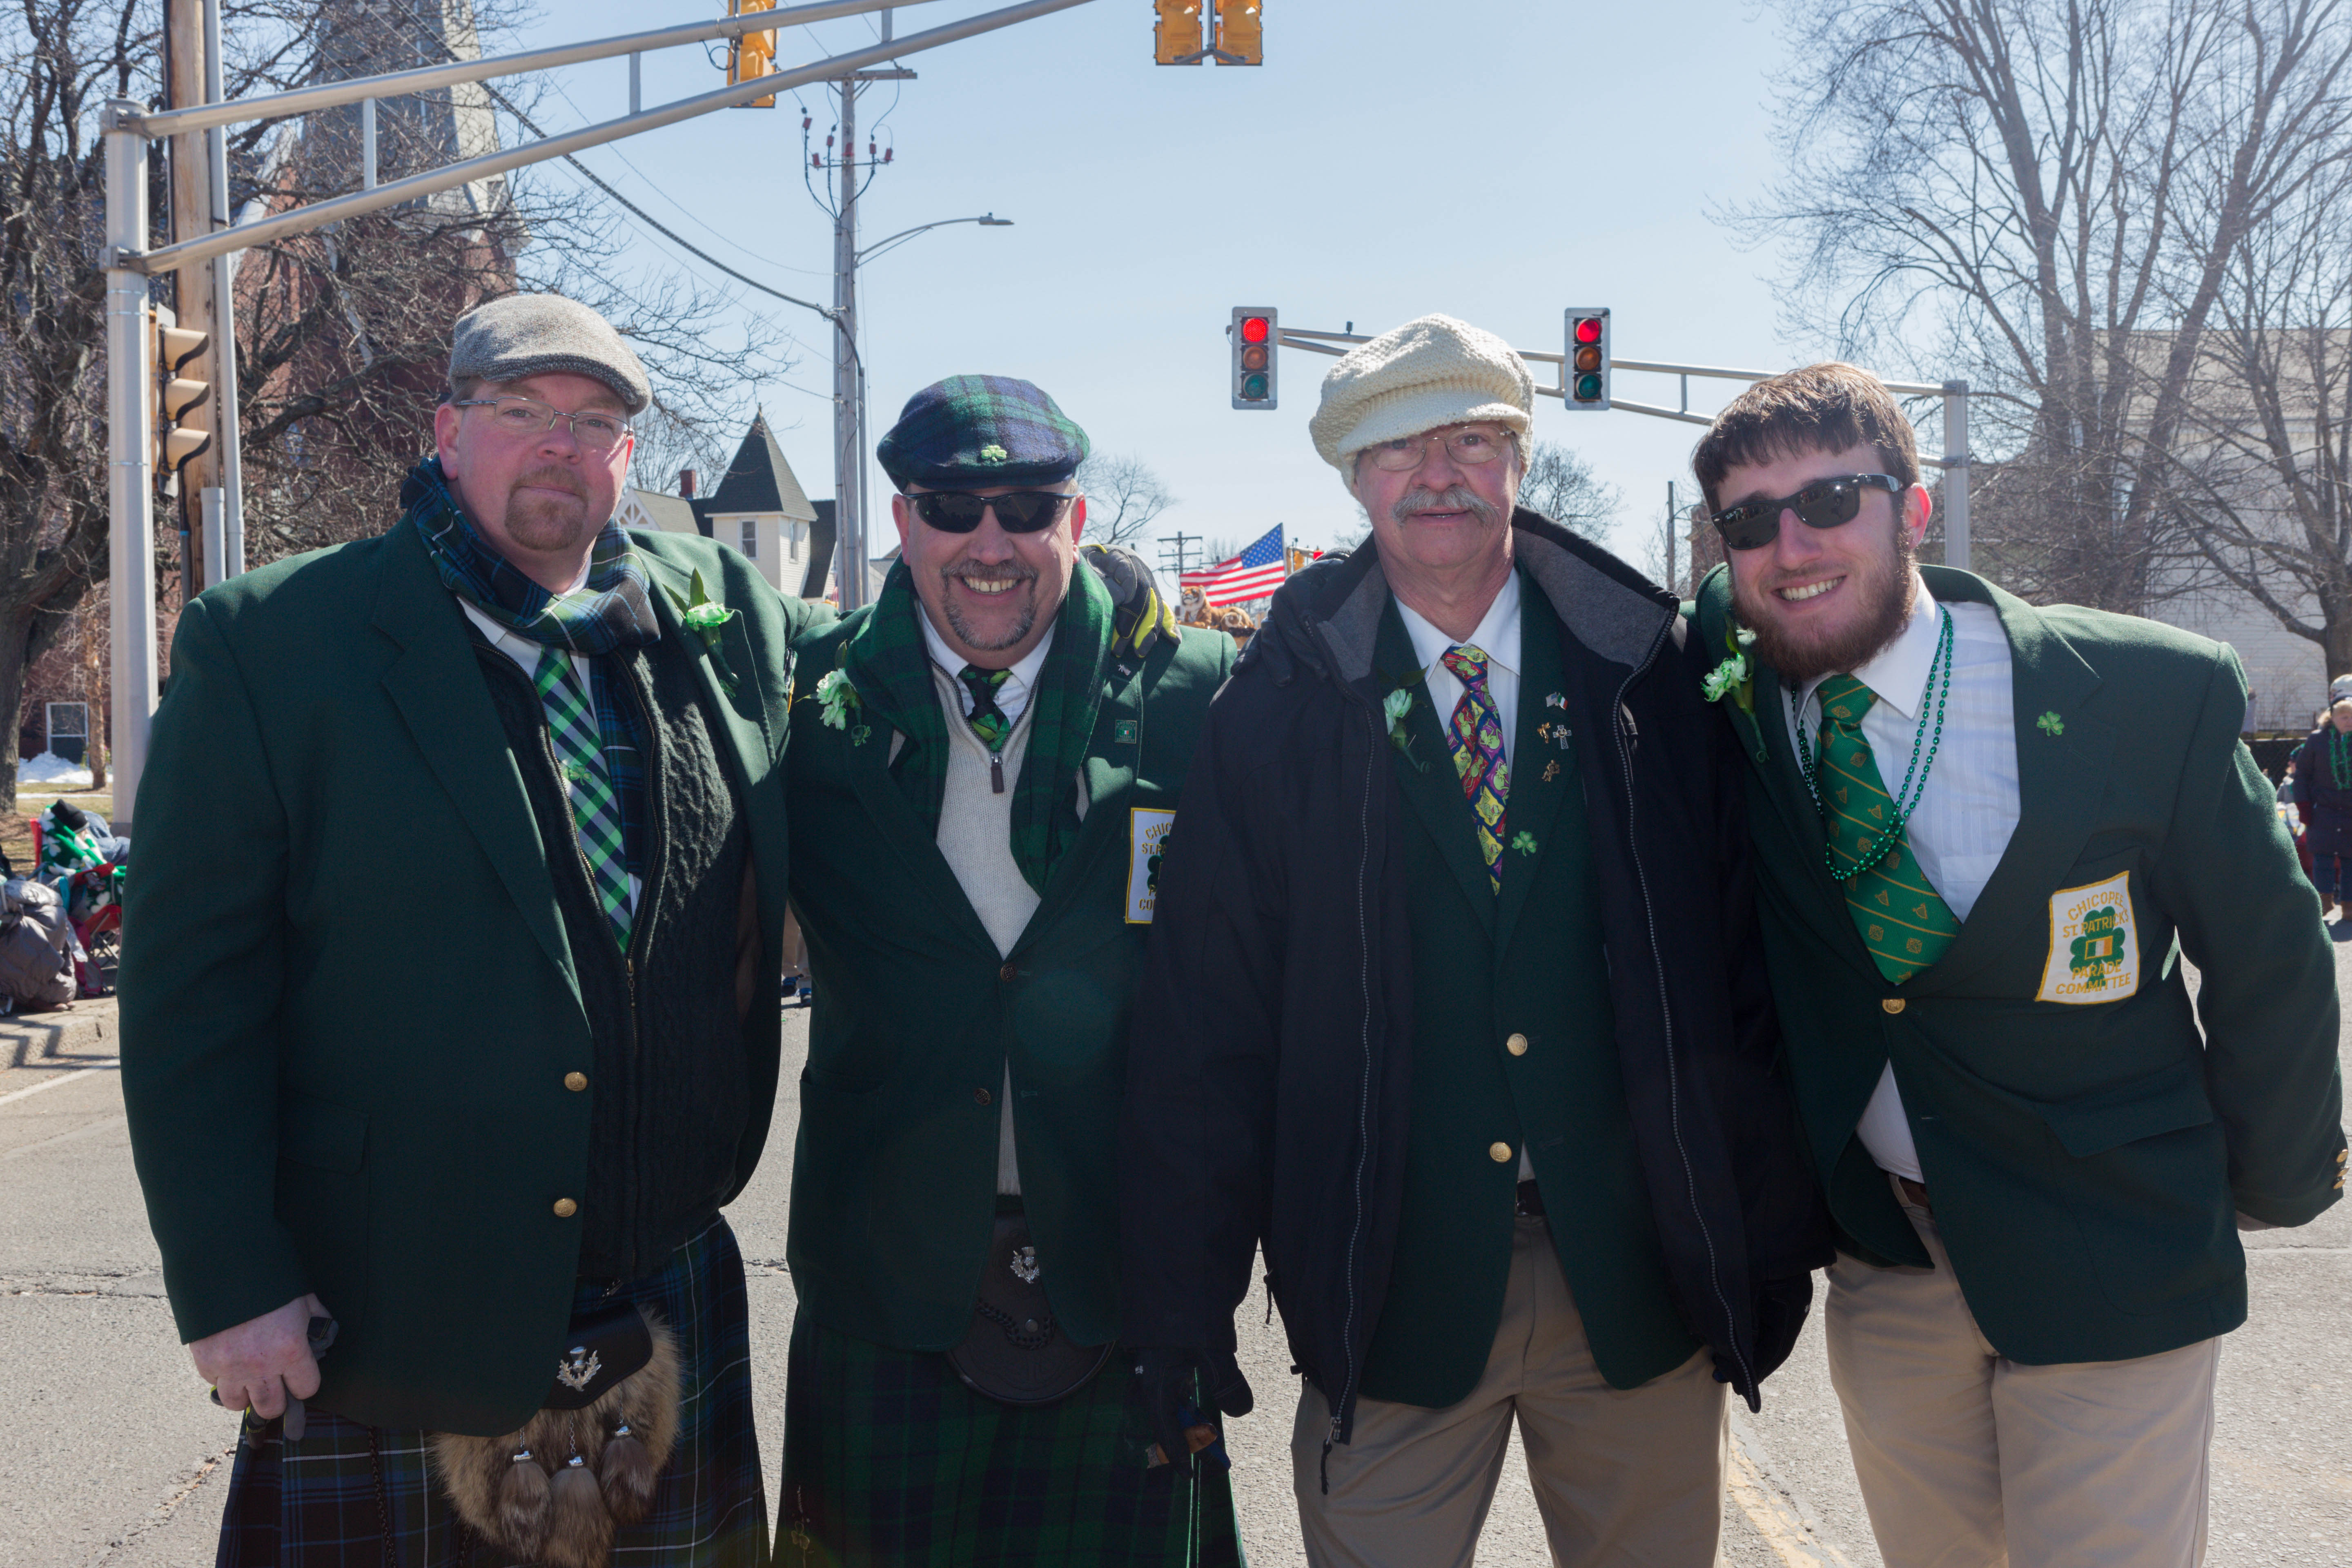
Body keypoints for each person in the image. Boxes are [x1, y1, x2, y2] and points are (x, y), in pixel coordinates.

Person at [121, 294, 822, 1566]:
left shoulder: (712, 615)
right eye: (522, 411)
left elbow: (901, 656)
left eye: (595, 421)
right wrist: (231, 1284)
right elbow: (191, 990)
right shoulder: (280, 641)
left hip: (665, 1283)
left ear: (623, 458)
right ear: (449, 431)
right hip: (393, 1308)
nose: (561, 443)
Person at [1122, 315, 1828, 1568]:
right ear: (1353, 477)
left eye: (1472, 440)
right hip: (1392, 1288)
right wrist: (1190, 1293)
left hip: (1637, 1281)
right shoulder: (1276, 704)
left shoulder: (1645, 674)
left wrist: (1760, 1235)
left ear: (1520, 459)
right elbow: (1209, 1019)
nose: (1437, 474)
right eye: (1399, 449)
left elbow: (1743, 976)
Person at [1687, 363, 2348, 1568]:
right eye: (1748, 521)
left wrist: (2260, 1183)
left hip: (2112, 1245)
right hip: (1889, 1267)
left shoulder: (2149, 689)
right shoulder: (1734, 697)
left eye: (1833, 500)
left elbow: (2272, 962)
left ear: (1915, 506)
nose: (1792, 545)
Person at [774, 376, 1243, 1566]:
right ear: (902, 520)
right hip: (886, 1277)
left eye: (1027, 506)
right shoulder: (809, 699)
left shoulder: (1193, 694)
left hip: (1125, 1265)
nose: (990, 541)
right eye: (951, 505)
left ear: (1074, 524)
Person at [2290, 698, 2352, 919]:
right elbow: (2302, 776)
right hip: (2323, 811)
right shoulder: (2317, 741)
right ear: (2332, 719)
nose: (2349, 721)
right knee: (2323, 859)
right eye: (2344, 717)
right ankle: (2325, 901)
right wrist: (2304, 806)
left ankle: (2349, 905)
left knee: (2350, 861)